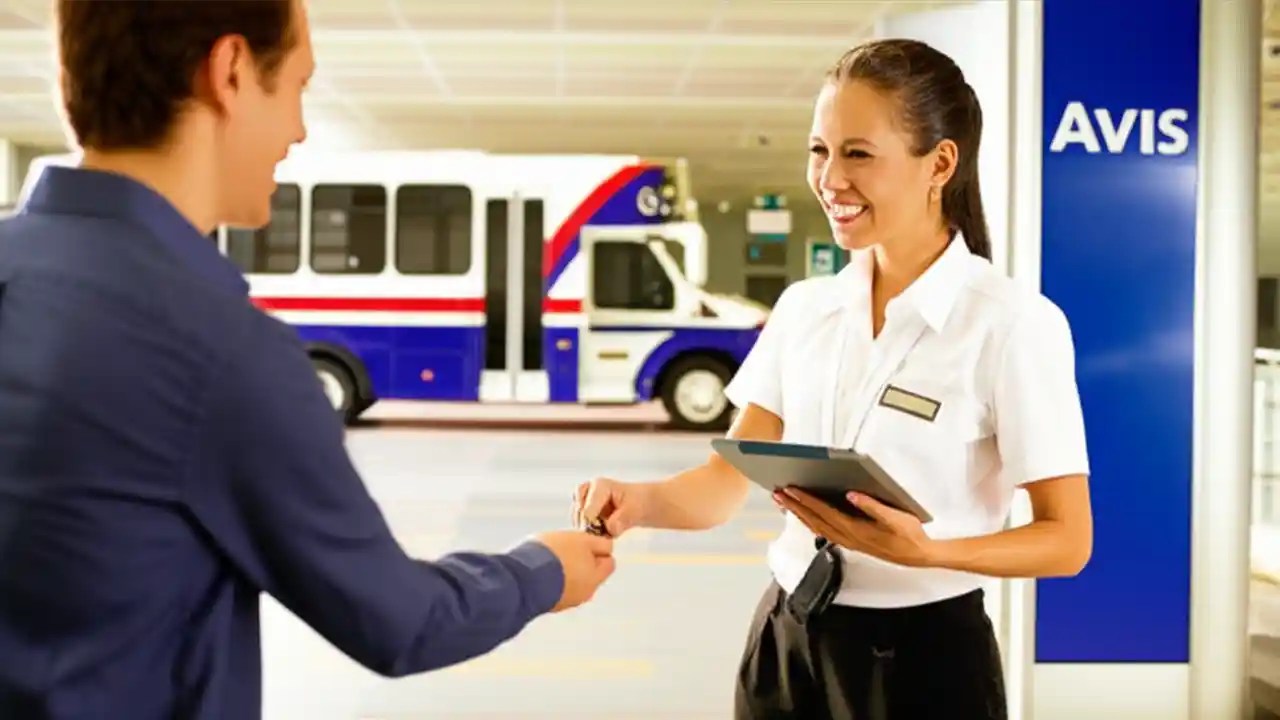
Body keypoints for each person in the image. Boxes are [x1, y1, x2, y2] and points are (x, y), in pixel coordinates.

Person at [0, 2, 615, 718]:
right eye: (296, 86)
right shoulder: (220, 350)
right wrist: (542, 571)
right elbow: (399, 622)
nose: (298, 129)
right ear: (230, 71)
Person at [574, 38, 1092, 720]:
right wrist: (637, 502)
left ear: (939, 163)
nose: (829, 178)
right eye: (820, 150)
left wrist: (929, 551)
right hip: (787, 640)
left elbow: (1067, 540)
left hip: (924, 660)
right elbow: (727, 480)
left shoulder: (1012, 324)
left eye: (857, 153)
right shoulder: (805, 308)